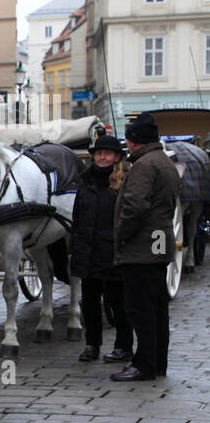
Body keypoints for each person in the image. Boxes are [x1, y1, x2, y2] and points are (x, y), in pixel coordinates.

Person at [111, 113, 180, 382]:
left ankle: (143, 364)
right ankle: (157, 362)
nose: (126, 145)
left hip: (141, 247)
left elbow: (135, 207)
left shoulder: (142, 165)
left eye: (128, 139)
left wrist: (122, 235)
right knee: (157, 307)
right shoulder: (165, 162)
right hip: (159, 242)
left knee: (140, 308)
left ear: (135, 141)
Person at [70, 134, 131, 363]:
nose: (101, 157)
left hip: (113, 250)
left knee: (117, 302)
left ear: (116, 157)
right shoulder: (86, 180)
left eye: (106, 153)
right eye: (98, 153)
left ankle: (124, 345)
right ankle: (92, 344)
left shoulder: (123, 181)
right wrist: (73, 246)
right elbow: (77, 216)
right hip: (88, 249)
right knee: (89, 302)